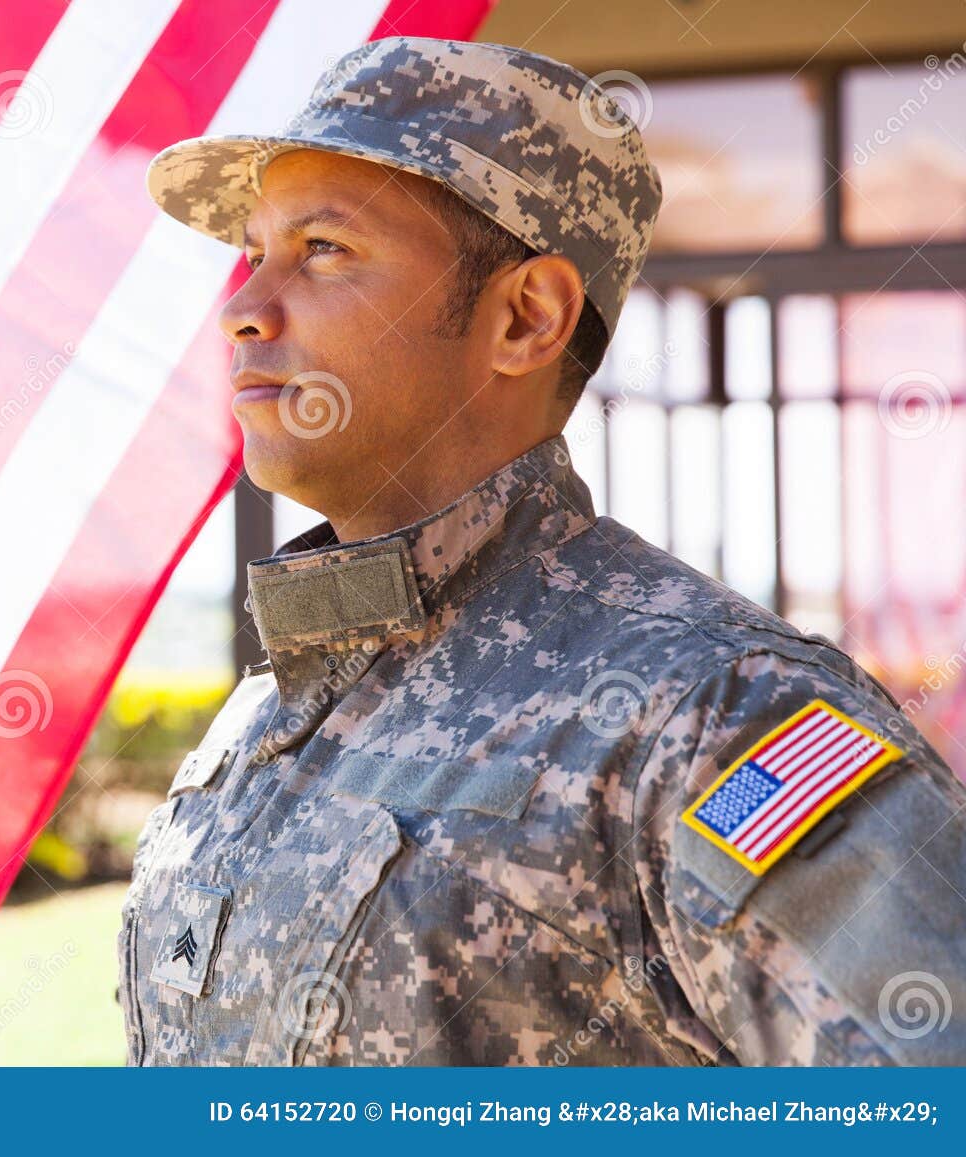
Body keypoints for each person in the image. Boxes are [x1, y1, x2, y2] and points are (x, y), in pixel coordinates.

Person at [116, 35, 966, 1066]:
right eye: (252, 253)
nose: (243, 309)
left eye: (322, 250)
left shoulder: (715, 715)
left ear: (525, 317)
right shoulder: (268, 712)